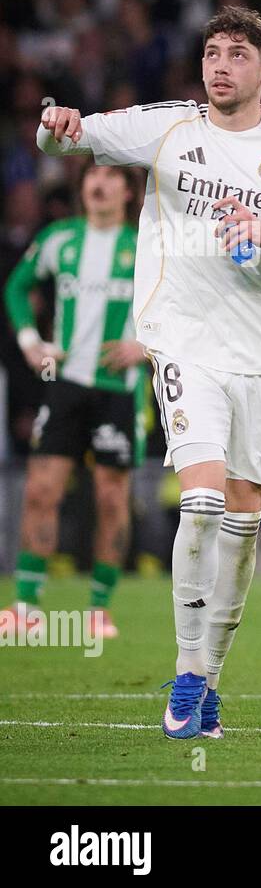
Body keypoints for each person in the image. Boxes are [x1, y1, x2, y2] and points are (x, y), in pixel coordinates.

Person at [35, 5, 261, 739]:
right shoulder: (170, 127)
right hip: (182, 343)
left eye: (238, 55)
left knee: (244, 521)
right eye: (212, 52)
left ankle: (211, 679)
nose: (221, 65)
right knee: (204, 502)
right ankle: (185, 675)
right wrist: (52, 126)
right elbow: (68, 138)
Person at [1, 164, 146, 641]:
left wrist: (146, 347)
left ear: (127, 190)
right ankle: (25, 607)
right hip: (65, 384)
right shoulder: (61, 238)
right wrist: (29, 341)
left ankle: (99, 610)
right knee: (42, 490)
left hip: (119, 390)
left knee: (110, 497)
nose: (97, 184)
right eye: (91, 177)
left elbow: (181, 306)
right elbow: (16, 286)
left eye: (109, 177)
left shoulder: (147, 245)